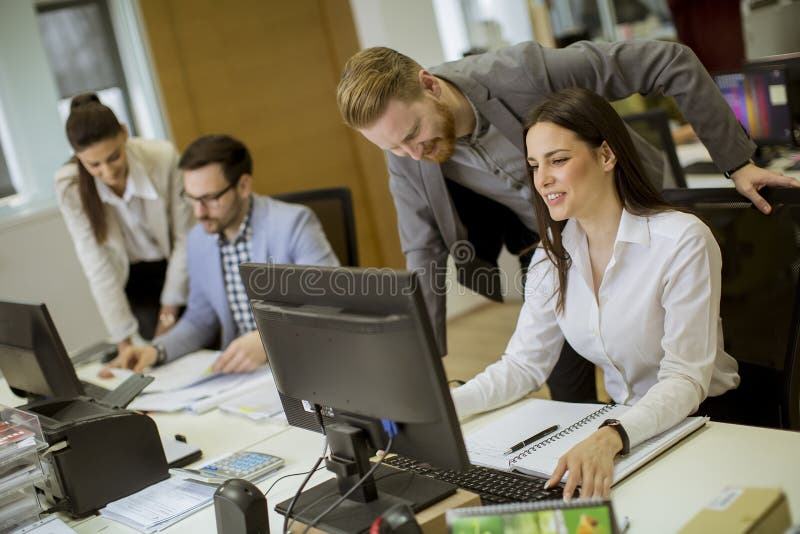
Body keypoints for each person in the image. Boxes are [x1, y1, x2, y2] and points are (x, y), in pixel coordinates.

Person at [336, 41, 798, 403]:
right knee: (563, 389)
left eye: (414, 133)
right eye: (394, 147)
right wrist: (426, 363)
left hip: (639, 217)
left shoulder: (522, 74)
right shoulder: (405, 153)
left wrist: (737, 163)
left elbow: (668, 60)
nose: (411, 154)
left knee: (681, 367)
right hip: (554, 250)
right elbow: (423, 252)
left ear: (429, 84)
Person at [450, 87, 740, 500]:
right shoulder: (552, 259)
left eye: (559, 160)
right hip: (624, 427)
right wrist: (445, 409)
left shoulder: (681, 241)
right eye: (534, 165)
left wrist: (612, 436)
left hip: (708, 420)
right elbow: (523, 366)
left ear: (606, 156)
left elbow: (685, 379)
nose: (542, 179)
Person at [101, 134, 339, 375]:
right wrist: (157, 350)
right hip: (241, 378)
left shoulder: (293, 223)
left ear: (243, 186)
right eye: (191, 199)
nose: (199, 212)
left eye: (209, 199)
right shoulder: (198, 240)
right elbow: (199, 320)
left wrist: (269, 340)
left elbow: (329, 301)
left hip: (303, 365)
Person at [56, 93, 193, 354]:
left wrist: (169, 314)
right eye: (93, 164)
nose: (107, 172)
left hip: (179, 264)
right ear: (77, 156)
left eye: (114, 157)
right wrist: (123, 341)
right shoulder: (69, 185)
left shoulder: (162, 158)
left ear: (124, 133)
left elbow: (185, 238)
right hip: (132, 277)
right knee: (152, 352)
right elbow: (97, 265)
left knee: (186, 339)